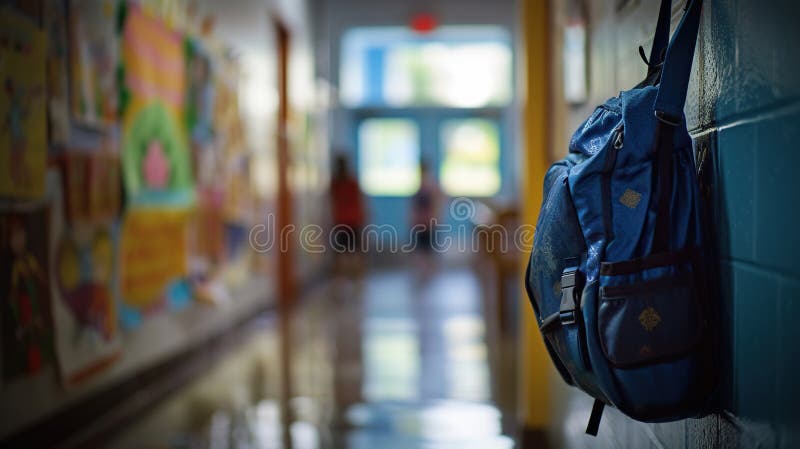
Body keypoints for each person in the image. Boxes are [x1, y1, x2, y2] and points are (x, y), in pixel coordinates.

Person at [330, 155, 365, 276]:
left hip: (340, 221)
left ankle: (342, 277)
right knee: (355, 250)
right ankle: (356, 276)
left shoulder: (335, 184)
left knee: (341, 251)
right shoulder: (352, 182)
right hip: (354, 221)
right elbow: (360, 201)